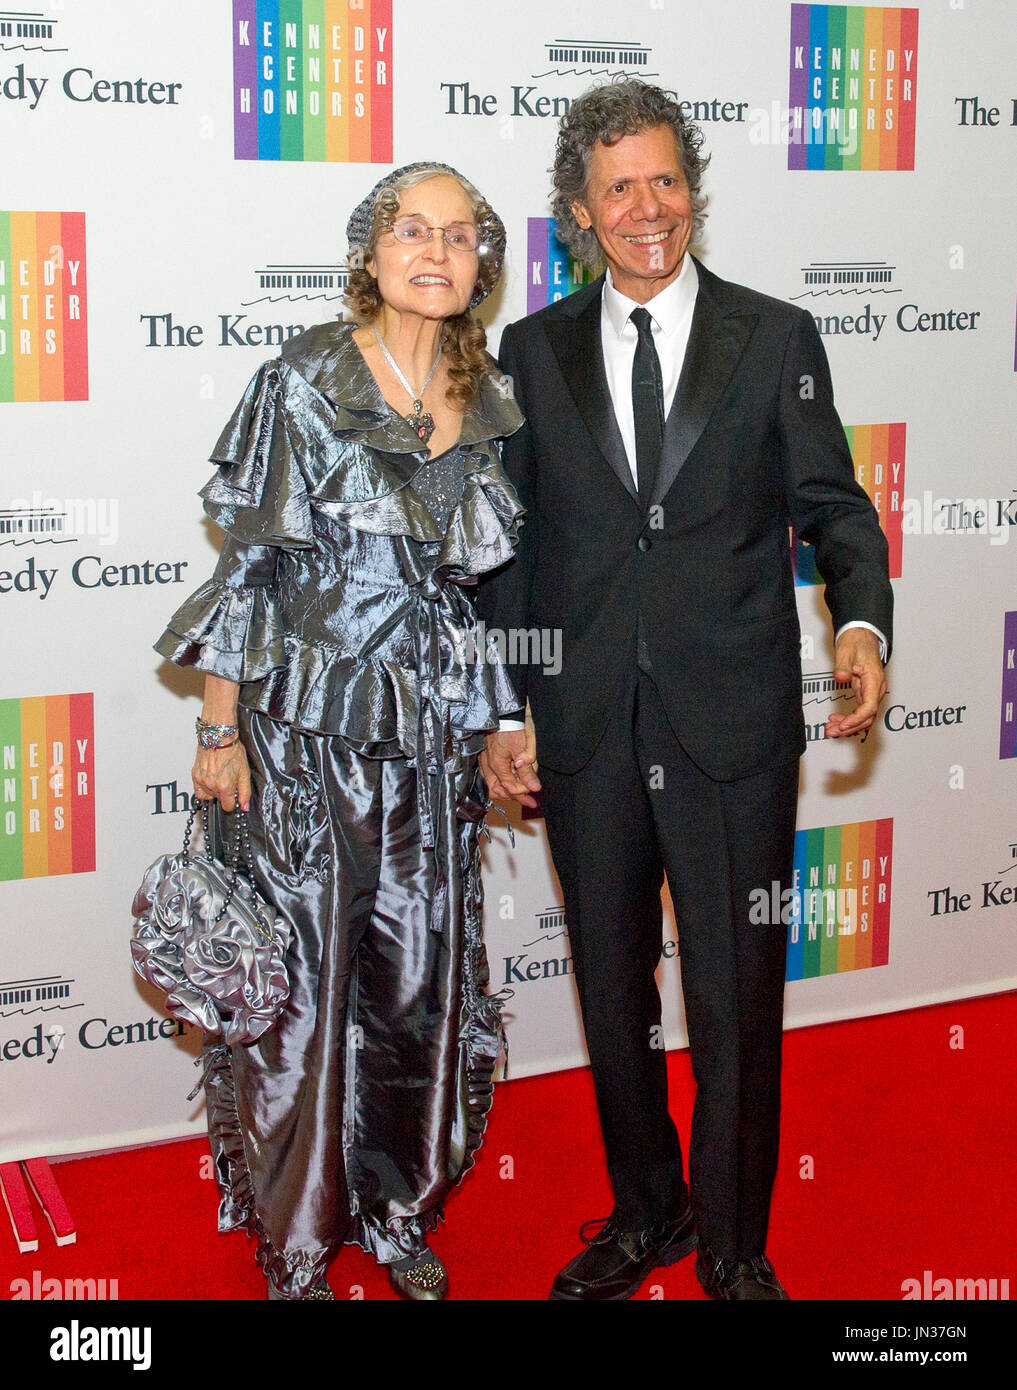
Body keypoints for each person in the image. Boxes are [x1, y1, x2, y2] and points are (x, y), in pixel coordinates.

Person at [478, 80, 893, 1301]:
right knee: (612, 991)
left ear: (692, 191)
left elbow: (834, 507)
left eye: (667, 180)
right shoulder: (531, 353)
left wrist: (860, 618)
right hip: (588, 724)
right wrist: (505, 709)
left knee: (734, 994)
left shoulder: (773, 338)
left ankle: (731, 1238)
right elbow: (508, 551)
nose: (648, 207)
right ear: (579, 211)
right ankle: (645, 1211)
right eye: (621, 187)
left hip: (733, 726)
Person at [155, 162, 524, 1301]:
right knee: (306, 996)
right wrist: (220, 736)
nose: (437, 251)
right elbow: (251, 566)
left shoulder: (488, 396)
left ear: (481, 265)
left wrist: (497, 716)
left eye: (461, 236)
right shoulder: (304, 379)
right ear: (370, 253)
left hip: (426, 741)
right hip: (304, 734)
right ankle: (301, 1239)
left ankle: (397, 1204)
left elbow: (475, 593)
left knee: (418, 980)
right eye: (413, 229)